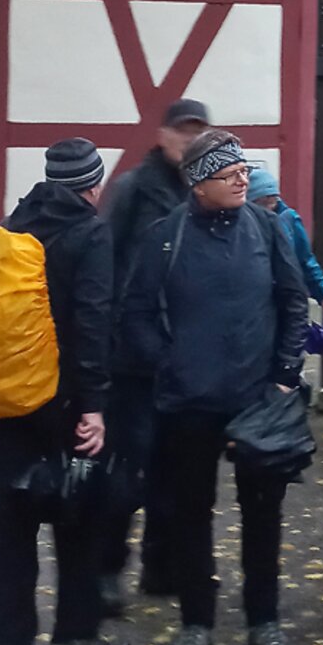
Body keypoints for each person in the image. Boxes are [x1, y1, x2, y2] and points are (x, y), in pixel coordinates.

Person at [117, 129, 308, 645]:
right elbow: (134, 312)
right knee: (190, 514)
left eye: (245, 171)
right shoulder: (164, 238)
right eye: (230, 175)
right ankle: (196, 623)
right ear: (199, 186)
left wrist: (284, 375)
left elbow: (294, 302)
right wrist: (169, 364)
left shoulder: (268, 229)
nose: (242, 181)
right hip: (189, 405)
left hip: (258, 401)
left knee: (263, 514)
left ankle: (263, 621)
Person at [0, 138, 129, 645]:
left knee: (12, 533)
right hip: (64, 401)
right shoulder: (90, 233)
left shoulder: (12, 225)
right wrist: (95, 406)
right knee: (80, 519)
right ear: (93, 185)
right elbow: (93, 322)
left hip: (10, 400)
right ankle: (74, 639)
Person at [96, 96, 209, 610]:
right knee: (127, 473)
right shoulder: (133, 191)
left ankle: (161, 568)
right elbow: (106, 268)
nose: (189, 140)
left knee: (175, 471)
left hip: (187, 360)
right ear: (163, 135)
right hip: (135, 363)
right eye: (182, 131)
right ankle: (106, 569)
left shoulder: (205, 192)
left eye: (198, 131)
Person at [247, 167, 323, 318]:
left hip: (286, 300)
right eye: (263, 202)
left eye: (273, 200)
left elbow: (306, 260)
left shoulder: (288, 219)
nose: (269, 207)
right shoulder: (243, 225)